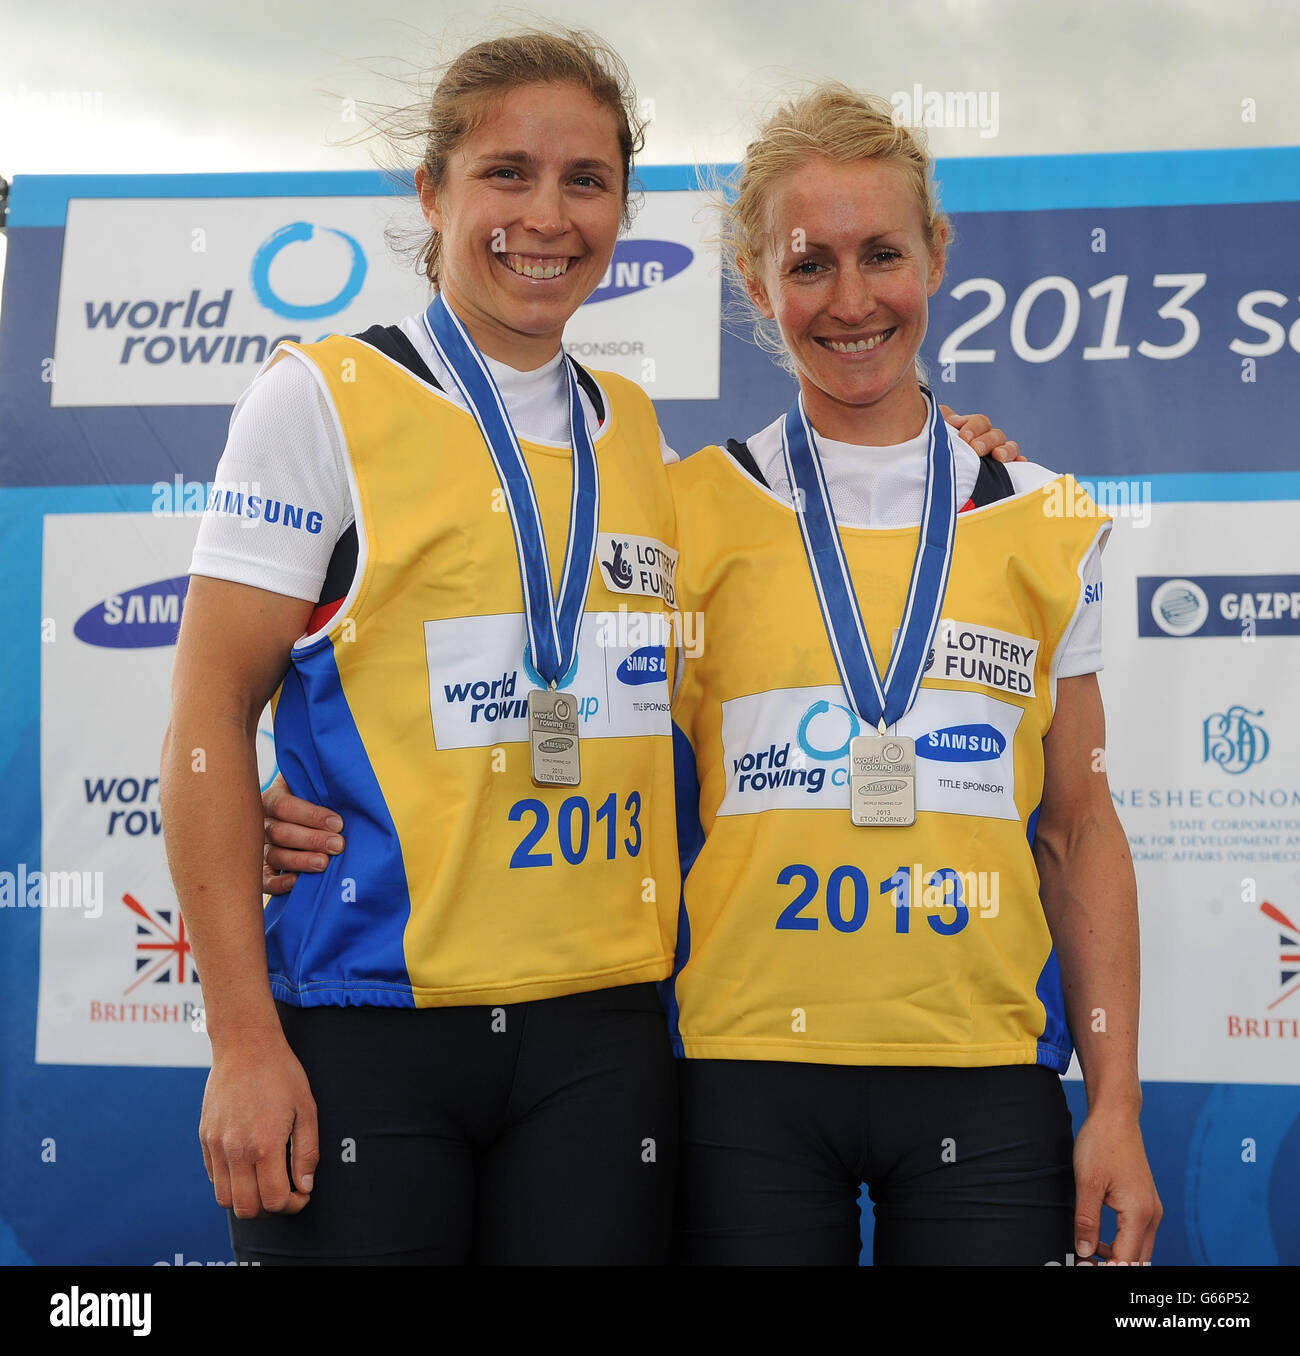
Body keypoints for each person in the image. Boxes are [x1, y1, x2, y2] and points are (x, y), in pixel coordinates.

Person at [236, 35, 1016, 1265]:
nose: (546, 216)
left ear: (620, 210)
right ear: (433, 192)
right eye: (507, 174)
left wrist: (951, 465)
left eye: (585, 181)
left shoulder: (640, 441)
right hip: (373, 1019)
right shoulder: (318, 398)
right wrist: (239, 1038)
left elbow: (827, 546)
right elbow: (198, 716)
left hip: (602, 1035)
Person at [661, 83, 1162, 1265]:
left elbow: (1079, 830)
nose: (849, 302)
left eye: (881, 254)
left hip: (981, 1075)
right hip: (745, 1071)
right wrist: (320, 817)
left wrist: (1120, 1107)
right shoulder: (677, 515)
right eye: (807, 264)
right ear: (752, 280)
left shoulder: (1045, 517)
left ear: (936, 256)